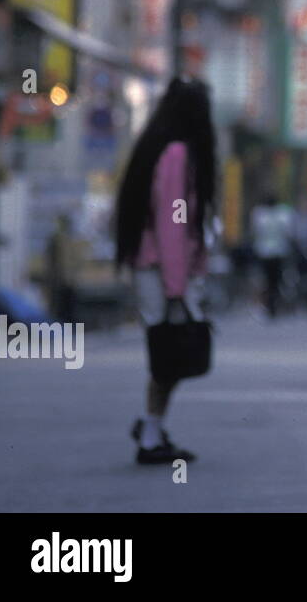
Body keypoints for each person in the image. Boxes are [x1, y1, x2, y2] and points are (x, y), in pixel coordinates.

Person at [114, 76, 216, 465]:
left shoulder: (162, 149)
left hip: (158, 267)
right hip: (163, 270)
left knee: (169, 354)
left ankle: (151, 426)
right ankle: (151, 432)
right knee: (170, 352)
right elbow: (172, 225)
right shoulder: (177, 155)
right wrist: (176, 287)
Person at [250, 194, 294, 318]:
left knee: (268, 281)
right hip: (279, 252)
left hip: (265, 252)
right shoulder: (283, 214)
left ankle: (270, 305)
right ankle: (274, 305)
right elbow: (289, 232)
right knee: (276, 281)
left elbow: (255, 231)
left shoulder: (259, 214)